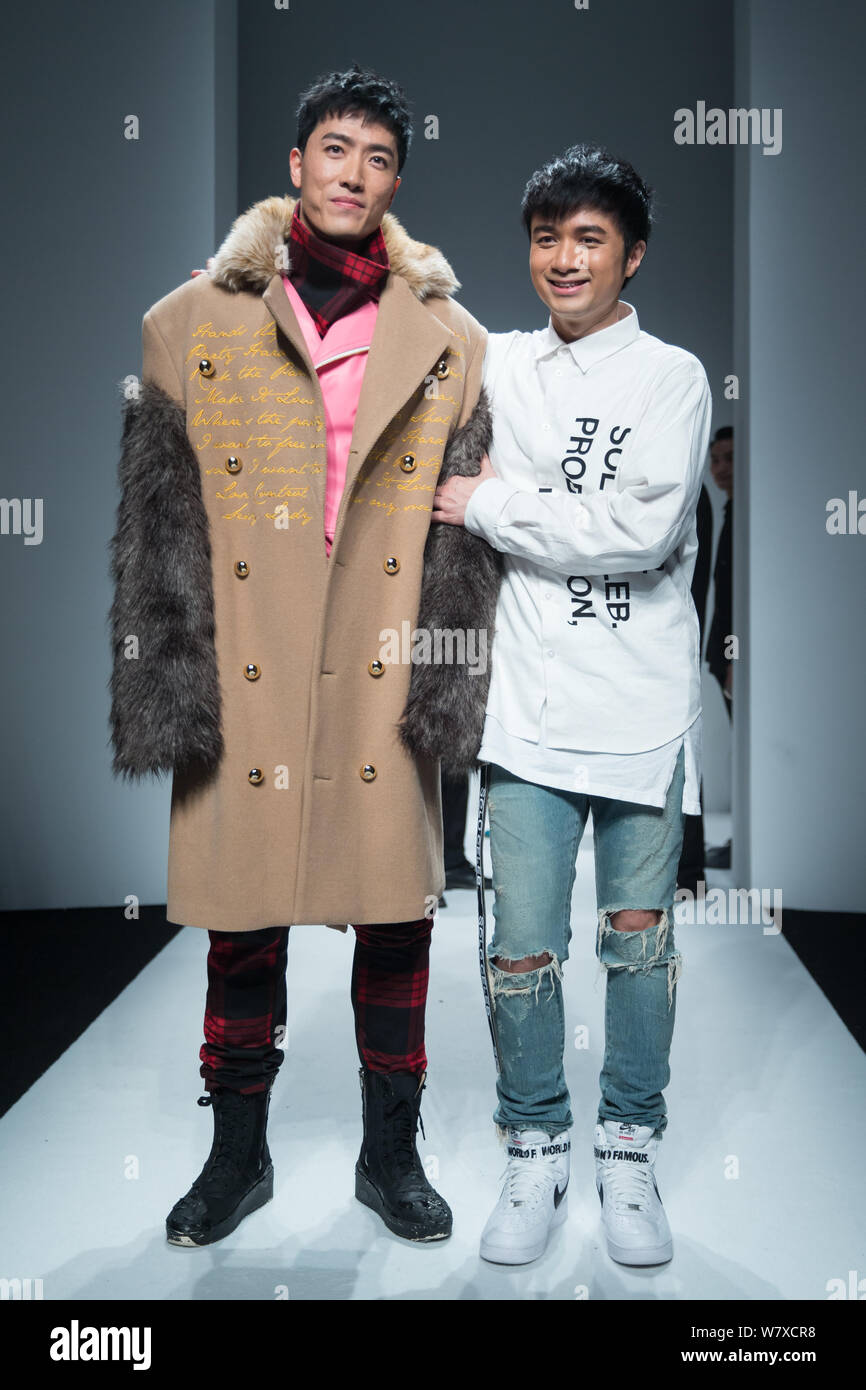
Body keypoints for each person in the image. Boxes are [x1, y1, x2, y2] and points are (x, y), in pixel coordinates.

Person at [108, 64, 500, 1247]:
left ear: (394, 181)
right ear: (295, 166)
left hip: (380, 658)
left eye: (379, 158)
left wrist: (447, 687)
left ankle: (391, 1154)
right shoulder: (187, 324)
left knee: (394, 918)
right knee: (244, 918)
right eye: (336, 149)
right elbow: (155, 531)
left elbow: (459, 543)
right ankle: (237, 1157)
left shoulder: (449, 339)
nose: (354, 174)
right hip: (252, 657)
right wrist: (165, 686)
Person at [431, 144, 712, 1266]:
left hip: (639, 700)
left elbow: (643, 531)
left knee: (636, 942)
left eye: (588, 237)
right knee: (517, 950)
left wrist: (494, 503)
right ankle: (535, 1147)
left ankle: (628, 1147)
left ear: (630, 253)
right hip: (525, 713)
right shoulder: (498, 363)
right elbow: (411, 305)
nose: (563, 256)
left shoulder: (673, 376)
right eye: (546, 235)